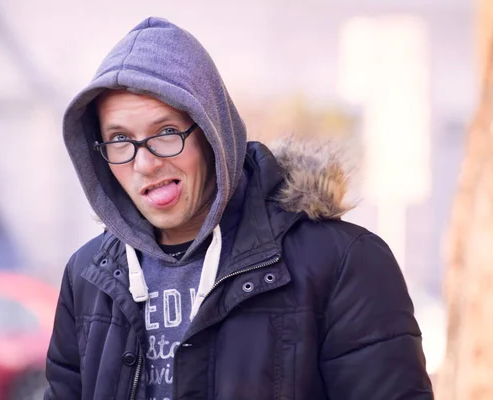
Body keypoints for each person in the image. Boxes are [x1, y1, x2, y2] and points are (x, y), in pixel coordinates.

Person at [44, 16, 434, 400]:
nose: (144, 164)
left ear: (213, 133)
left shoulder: (342, 263)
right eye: (120, 139)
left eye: (166, 132)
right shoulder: (88, 277)